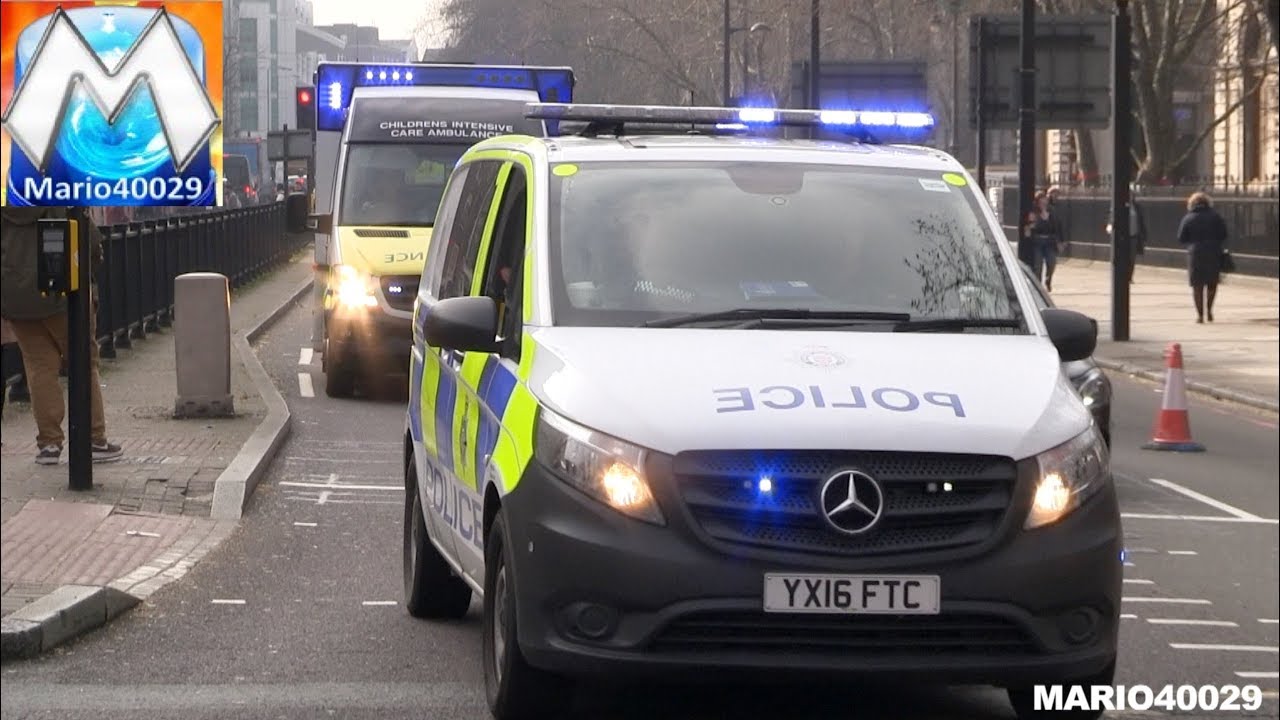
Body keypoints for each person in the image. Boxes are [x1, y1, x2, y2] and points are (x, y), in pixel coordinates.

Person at [1, 206, 124, 465]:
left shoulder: (7, 205)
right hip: (62, 296)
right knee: (83, 362)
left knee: (39, 369)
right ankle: (94, 438)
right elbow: (90, 243)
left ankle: (49, 444)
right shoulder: (60, 196)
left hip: (17, 299)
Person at [1177, 191, 1229, 323]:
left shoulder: (1188, 218)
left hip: (1195, 253)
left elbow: (1181, 237)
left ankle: (1200, 315)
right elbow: (1224, 234)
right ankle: (1209, 310)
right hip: (1213, 252)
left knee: (1197, 285)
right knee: (1212, 283)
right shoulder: (1215, 216)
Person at [1023, 190, 1065, 291]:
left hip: (1049, 242)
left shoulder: (1051, 211)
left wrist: (1060, 242)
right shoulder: (1034, 213)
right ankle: (1039, 287)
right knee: (1038, 265)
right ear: (1037, 202)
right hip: (1038, 242)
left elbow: (1058, 226)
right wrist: (1031, 226)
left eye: (1044, 200)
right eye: (1041, 201)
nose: (1043, 202)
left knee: (1052, 263)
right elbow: (1029, 226)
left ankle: (1048, 279)